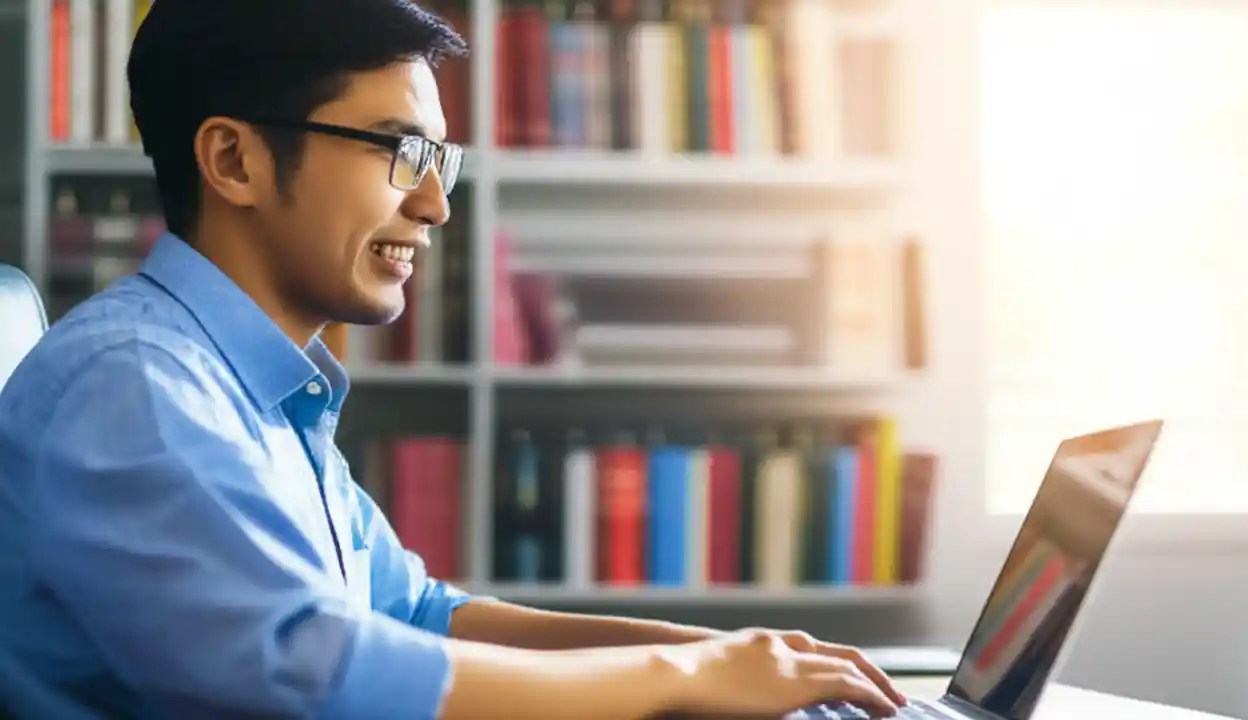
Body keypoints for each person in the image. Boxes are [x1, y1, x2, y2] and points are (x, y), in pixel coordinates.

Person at [0, 1, 907, 718]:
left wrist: (729, 657)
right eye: (401, 152)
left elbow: (416, 614)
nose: (436, 203)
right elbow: (310, 674)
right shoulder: (132, 384)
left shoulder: (258, 387)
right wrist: (682, 677)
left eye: (440, 158)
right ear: (234, 160)